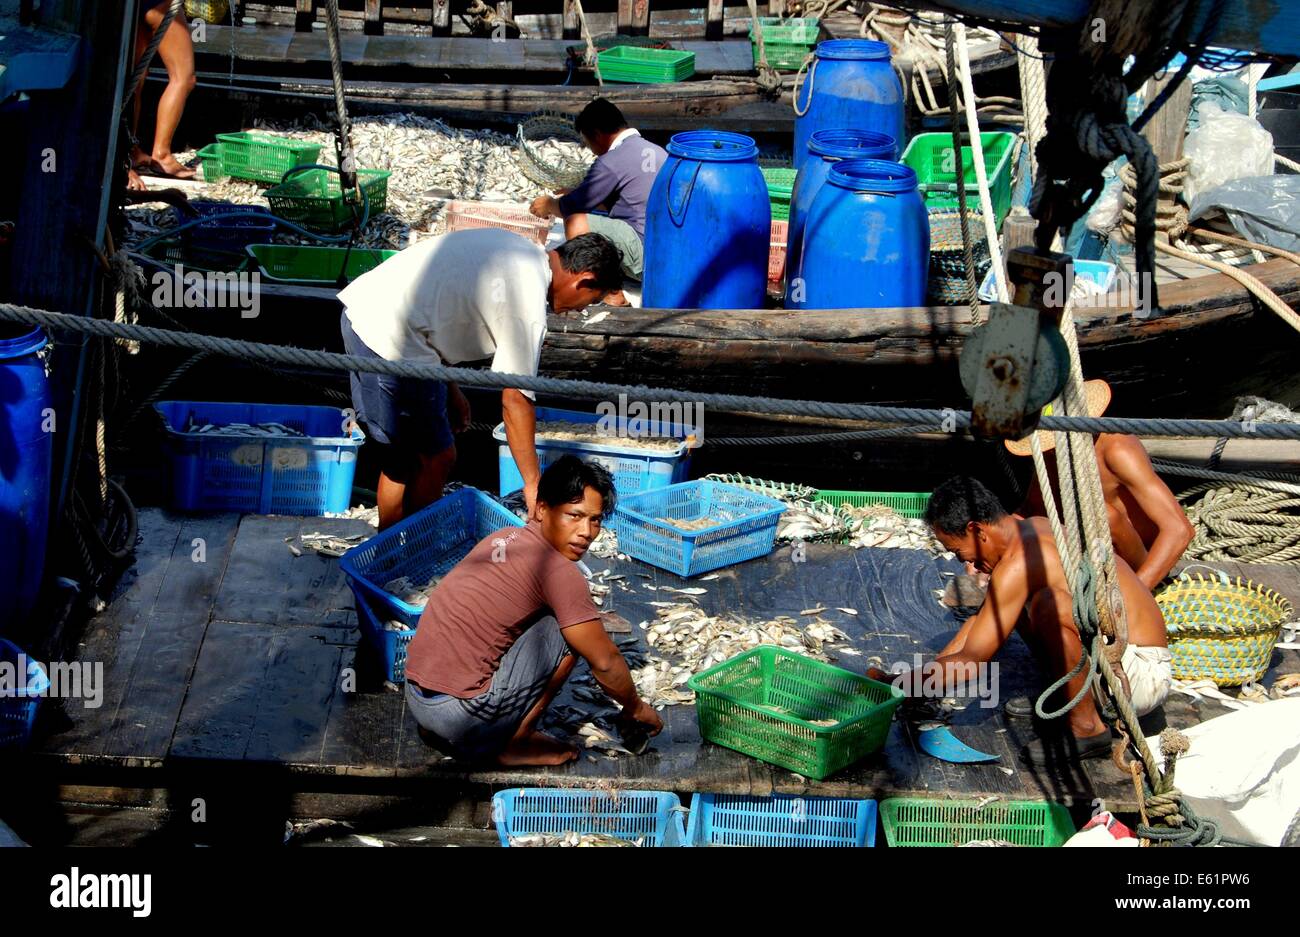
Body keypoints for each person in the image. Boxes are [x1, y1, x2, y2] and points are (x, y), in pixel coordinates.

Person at [870, 476, 1172, 766]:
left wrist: (897, 685)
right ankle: (1069, 694)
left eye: (959, 552)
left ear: (977, 530)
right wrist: (916, 687)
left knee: (1047, 606)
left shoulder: (1018, 564)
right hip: (1131, 662)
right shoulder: (1033, 527)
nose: (967, 564)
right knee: (1018, 610)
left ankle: (1087, 728)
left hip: (1138, 677)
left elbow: (972, 661)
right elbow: (980, 625)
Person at [338, 228, 623, 530]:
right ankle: (413, 548)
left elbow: (440, 307)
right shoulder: (527, 300)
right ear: (584, 281)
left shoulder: (520, 248)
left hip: (366, 311)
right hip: (388, 337)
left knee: (402, 458)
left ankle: (390, 547)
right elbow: (516, 399)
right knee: (437, 457)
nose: (579, 311)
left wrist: (450, 388)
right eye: (589, 301)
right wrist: (532, 484)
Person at [403, 456, 663, 766]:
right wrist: (634, 707)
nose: (586, 532)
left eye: (595, 520)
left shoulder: (499, 539)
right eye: (574, 515)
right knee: (571, 631)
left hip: (417, 700)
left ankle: (453, 729)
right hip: (460, 718)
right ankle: (516, 741)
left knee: (558, 617)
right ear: (541, 509)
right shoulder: (557, 571)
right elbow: (605, 661)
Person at [1007, 379, 1195, 591]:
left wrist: (1136, 596)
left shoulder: (1117, 450)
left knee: (1103, 515)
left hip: (1136, 560)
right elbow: (1032, 510)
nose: (1049, 451)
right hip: (1085, 558)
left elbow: (1179, 530)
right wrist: (995, 541)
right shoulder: (1052, 455)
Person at [529, 98, 667, 305]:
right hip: (666, 252)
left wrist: (548, 204)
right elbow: (628, 198)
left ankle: (611, 292)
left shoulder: (611, 161)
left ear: (596, 135)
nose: (591, 149)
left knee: (576, 221)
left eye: (587, 142)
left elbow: (573, 207)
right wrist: (576, 193)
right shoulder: (657, 150)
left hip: (645, 257)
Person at [127, 1, 198, 190]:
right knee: (183, 77)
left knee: (135, 79)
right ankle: (162, 154)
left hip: (131, 7)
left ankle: (130, 151)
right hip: (158, 3)